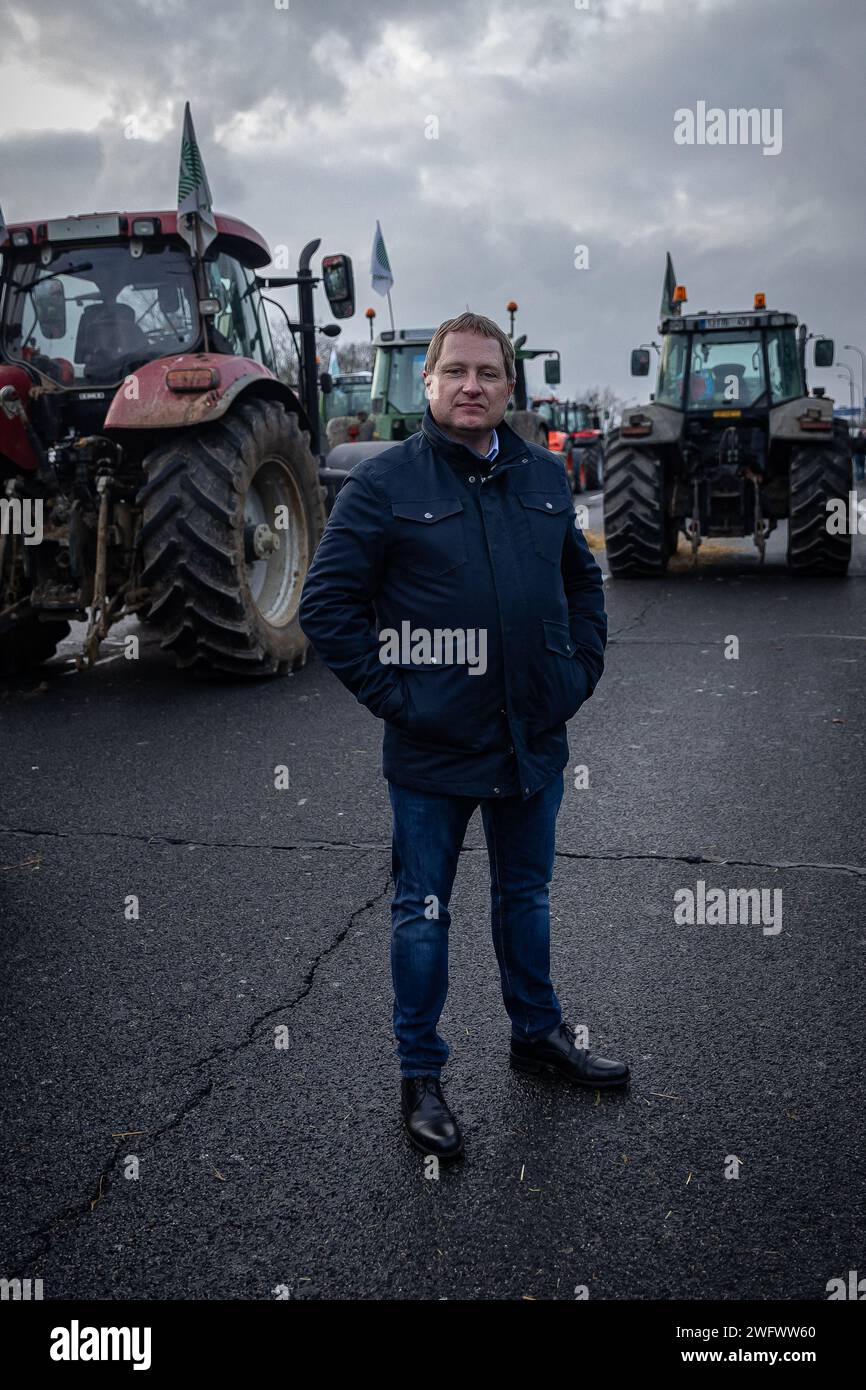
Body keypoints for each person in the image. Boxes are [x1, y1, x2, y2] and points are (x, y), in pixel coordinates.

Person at [298, 312, 629, 1162]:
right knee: (422, 912)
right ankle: (422, 1076)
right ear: (429, 384)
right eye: (456, 372)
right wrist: (404, 701)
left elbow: (582, 586)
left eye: (488, 372)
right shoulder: (384, 485)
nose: (472, 385)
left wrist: (575, 672)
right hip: (433, 752)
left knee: (526, 898)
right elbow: (327, 610)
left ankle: (538, 1037)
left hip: (532, 741)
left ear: (509, 387)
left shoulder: (546, 477)